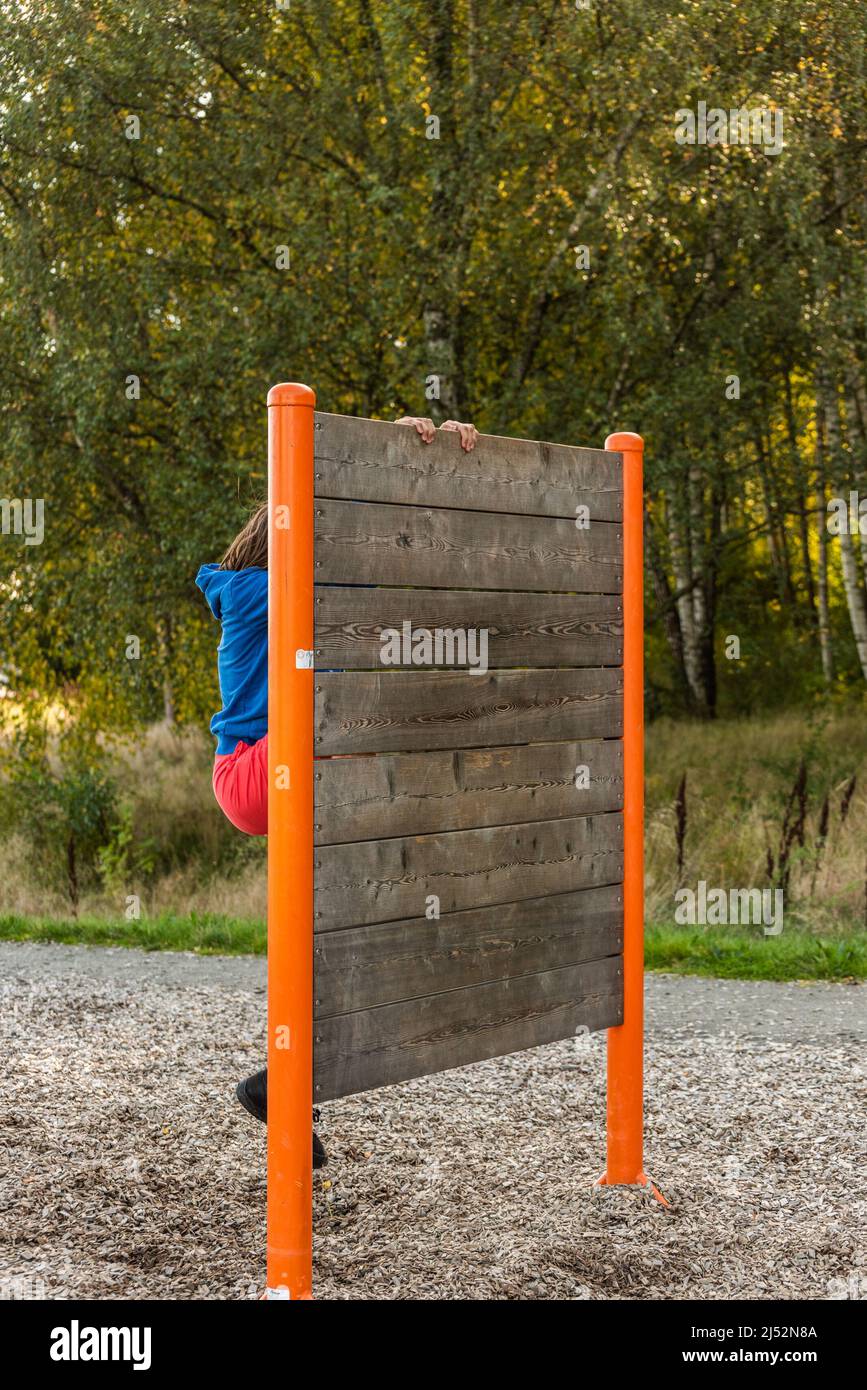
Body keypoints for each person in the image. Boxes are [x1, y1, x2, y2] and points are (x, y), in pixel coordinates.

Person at [196, 414, 478, 1166]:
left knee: (349, 911)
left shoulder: (282, 589)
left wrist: (432, 464)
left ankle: (288, 1079)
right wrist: (389, 454)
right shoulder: (258, 595)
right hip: (257, 768)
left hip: (274, 765)